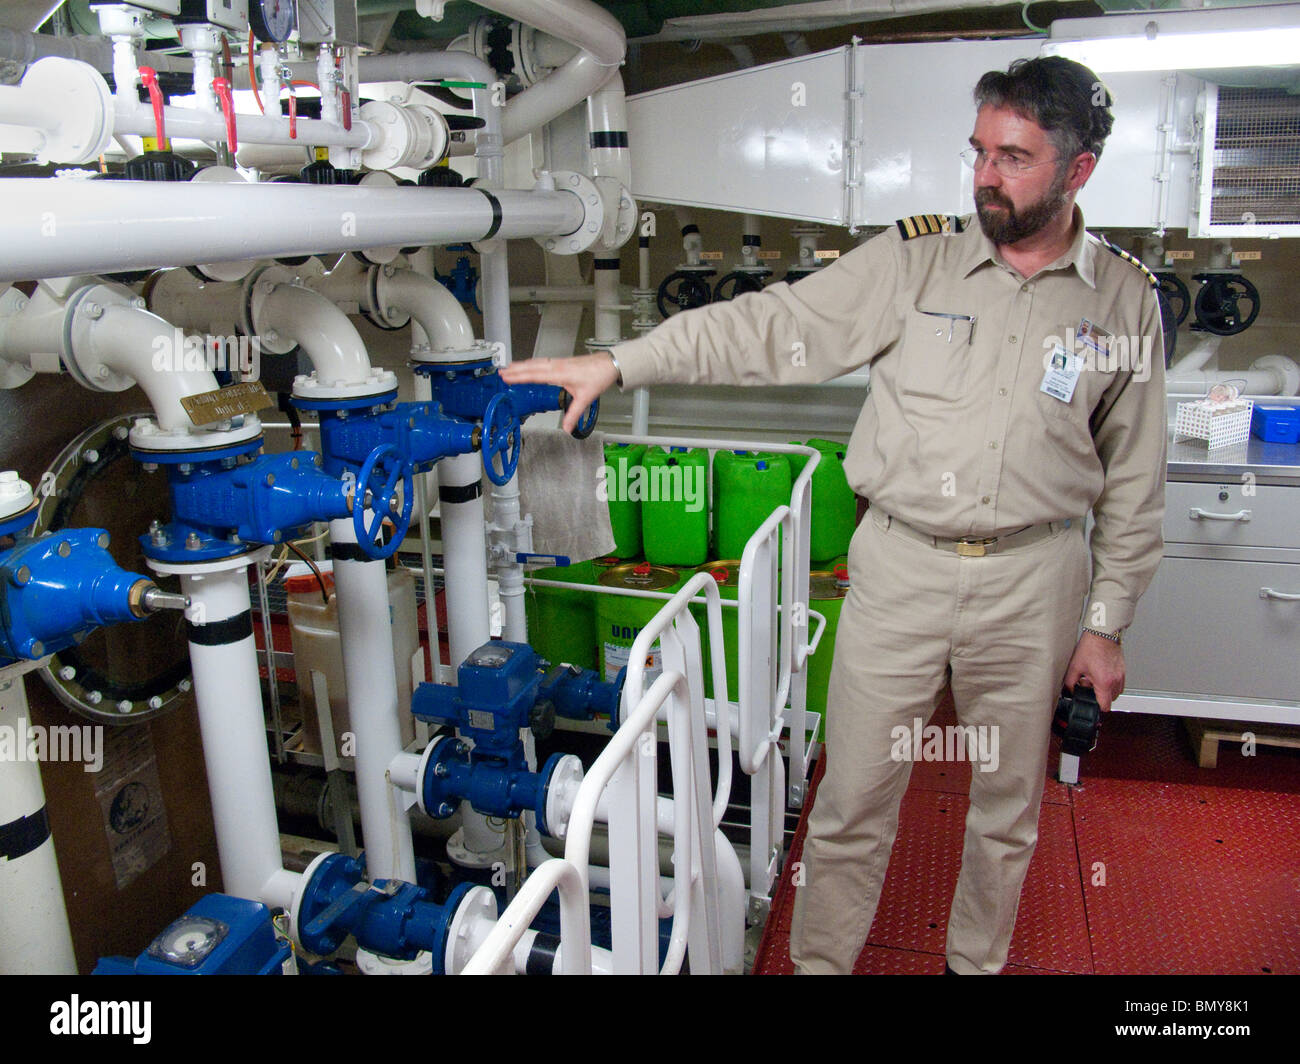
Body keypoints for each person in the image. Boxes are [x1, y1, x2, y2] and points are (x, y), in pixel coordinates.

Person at [500, 55, 1167, 975]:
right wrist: (622, 363)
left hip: (1035, 576)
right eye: (978, 151)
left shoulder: (1124, 297)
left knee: (1008, 806)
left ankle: (974, 964)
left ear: (1079, 169)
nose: (985, 176)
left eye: (1014, 158)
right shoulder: (917, 257)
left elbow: (1135, 478)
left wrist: (1107, 624)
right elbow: (769, 326)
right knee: (851, 796)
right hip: (899, 565)